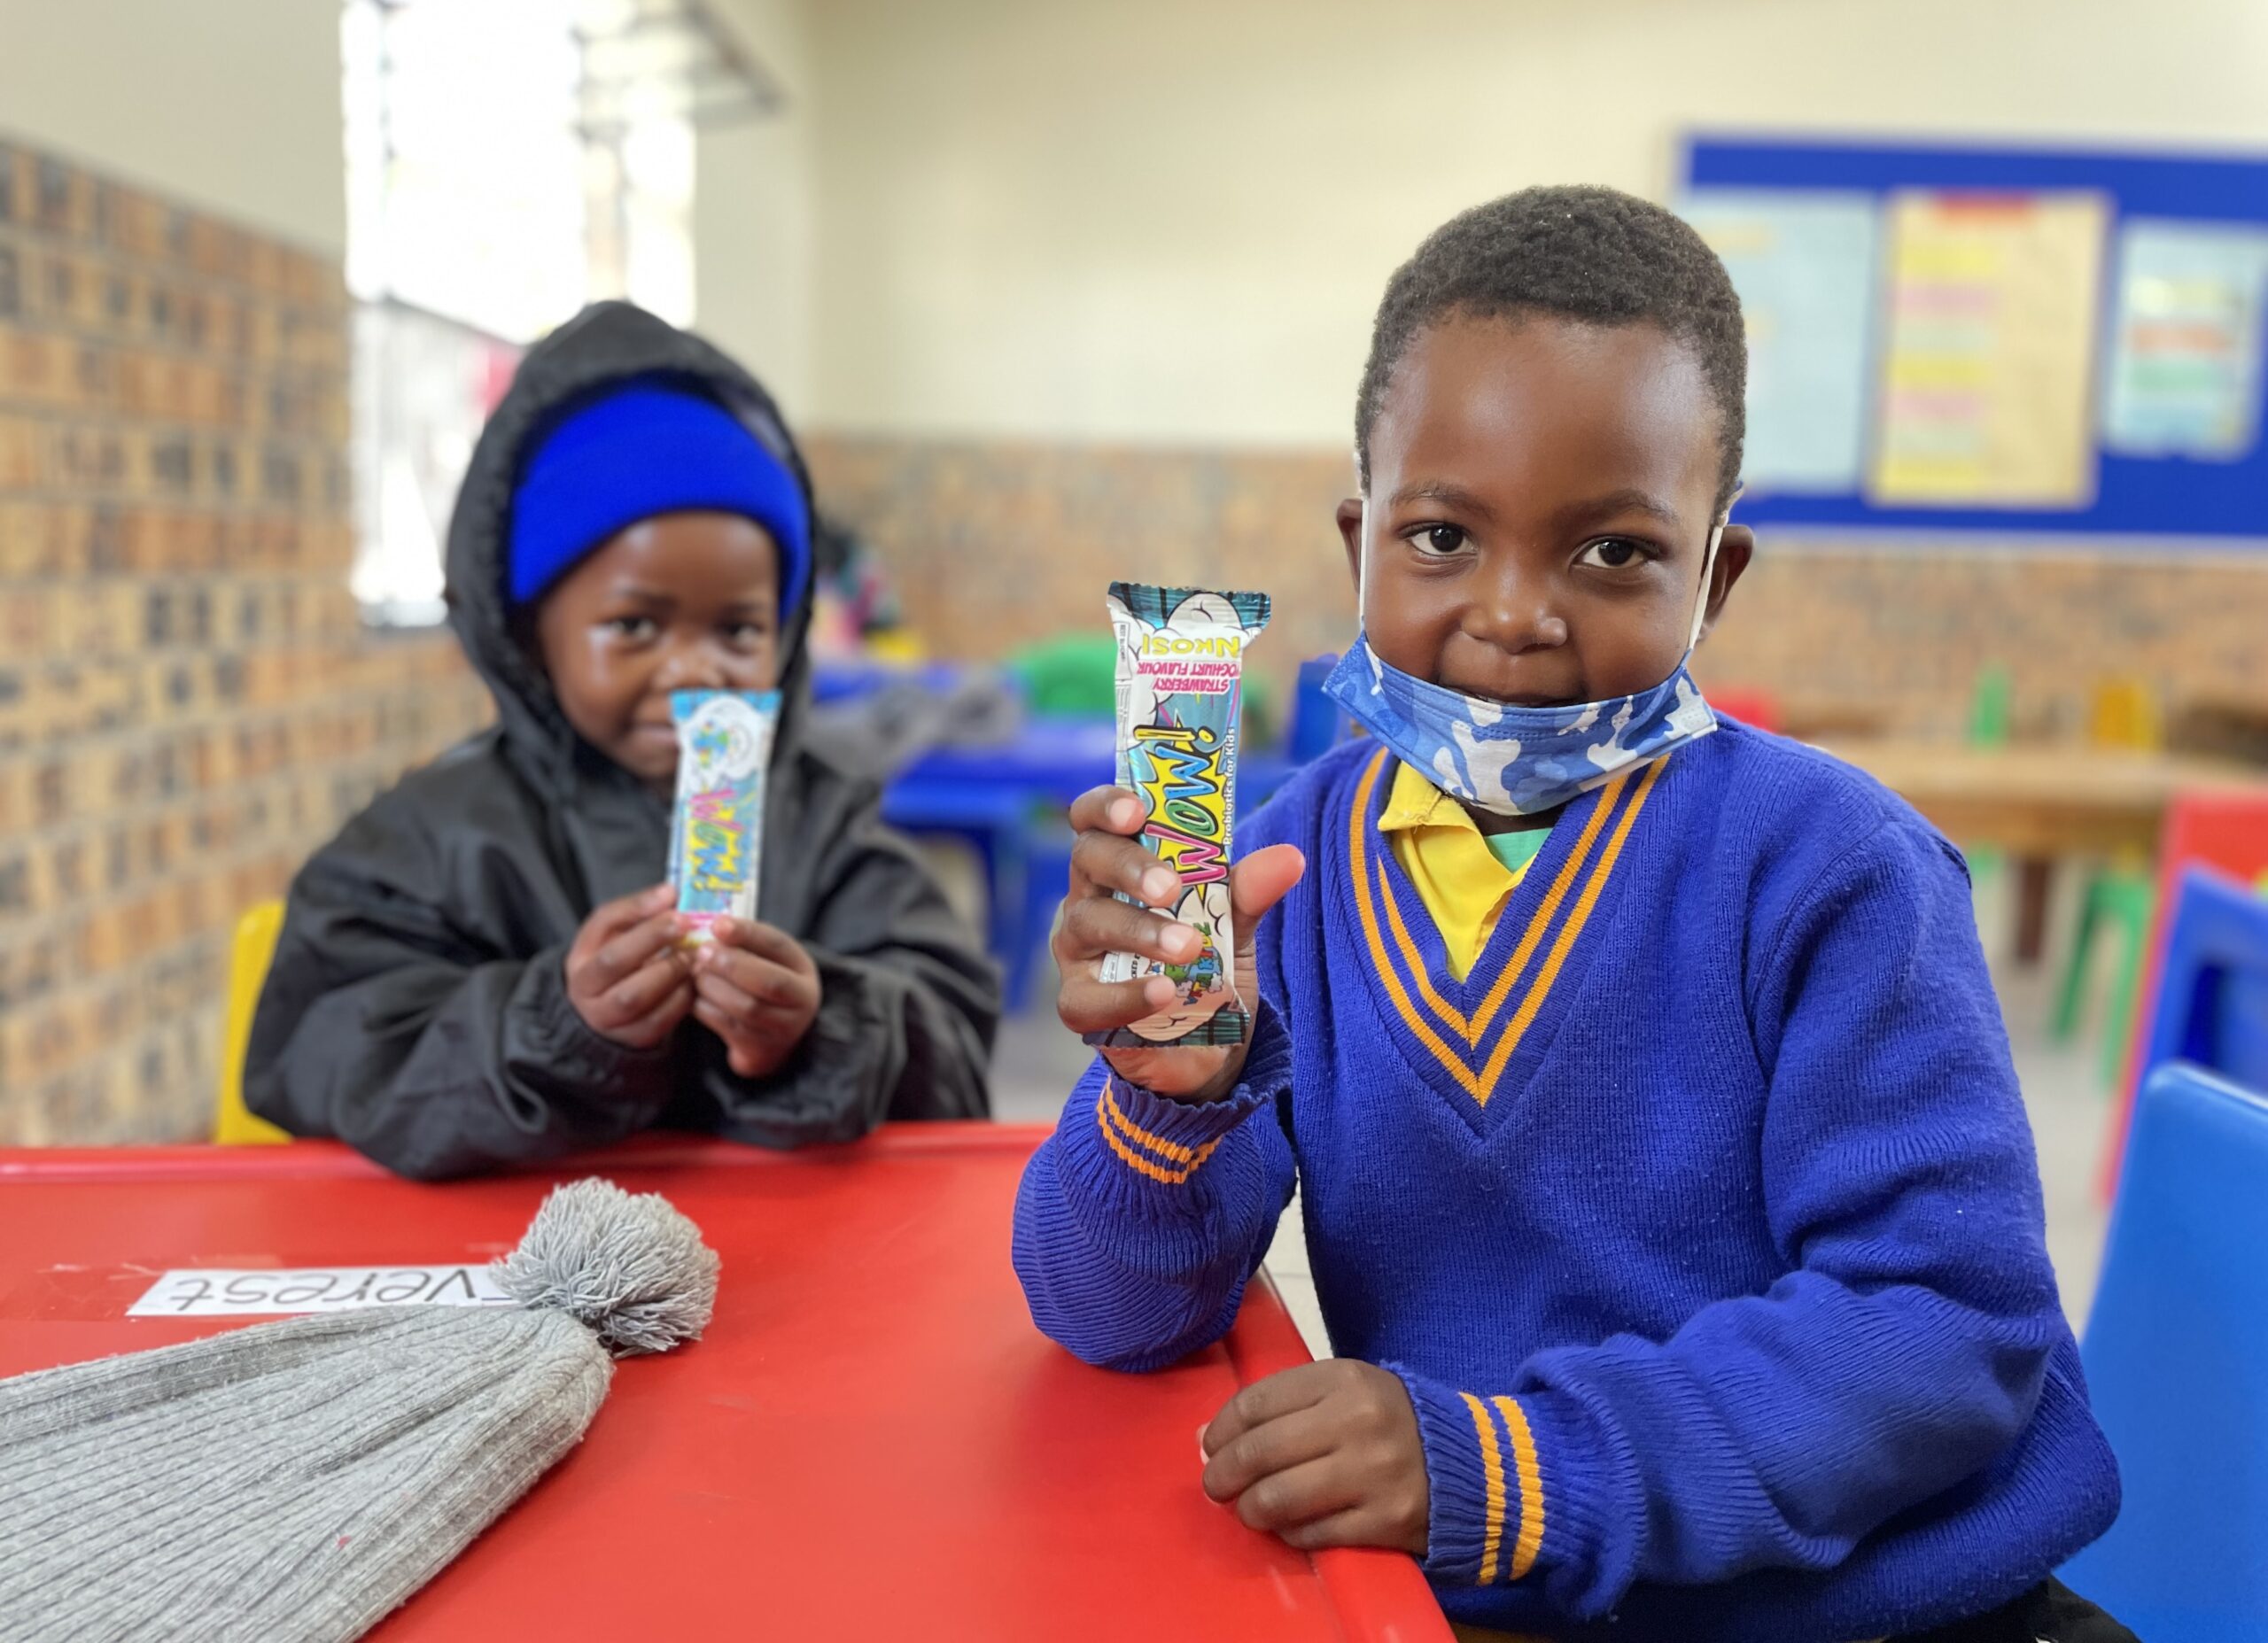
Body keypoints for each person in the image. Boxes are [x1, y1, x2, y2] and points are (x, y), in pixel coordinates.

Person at [1012, 190, 2129, 1642]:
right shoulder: (1279, 877)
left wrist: (1512, 1470)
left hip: (1891, 1612)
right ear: (1362, 542)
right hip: (1504, 1597)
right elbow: (1106, 1314)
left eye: (1612, 553)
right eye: (1440, 537)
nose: (1515, 614)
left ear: (1713, 575)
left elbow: (1946, 1330)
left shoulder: (1833, 868)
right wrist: (1167, 1104)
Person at [247, 301, 997, 1179]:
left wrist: (824, 1025)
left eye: (739, 631)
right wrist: (552, 1029)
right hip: (506, 1272)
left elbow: (955, 1055)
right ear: (533, 636)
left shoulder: (829, 832)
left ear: (787, 640)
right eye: (636, 625)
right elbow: (319, 1054)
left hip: (785, 1264)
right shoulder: (425, 843)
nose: (695, 672)